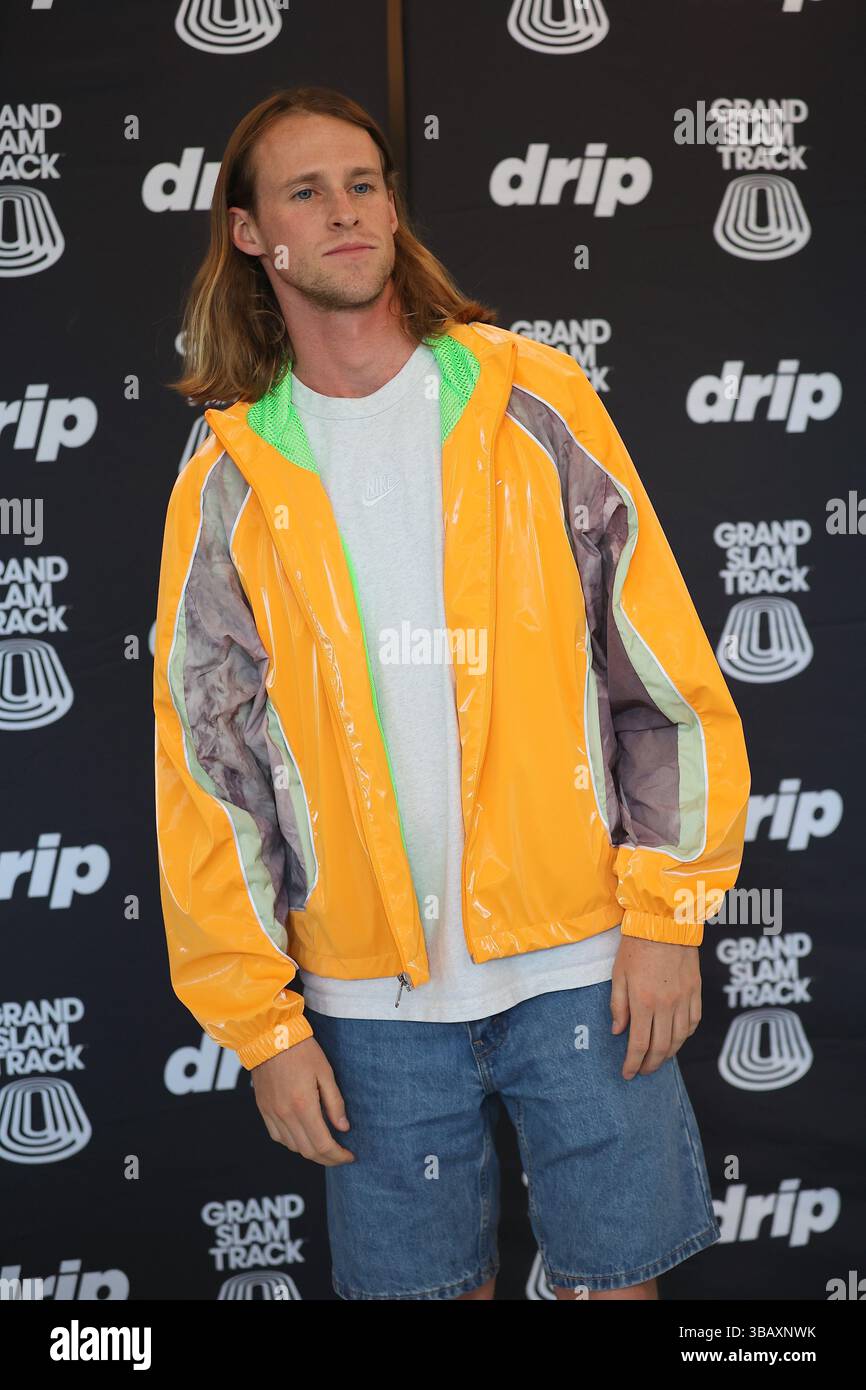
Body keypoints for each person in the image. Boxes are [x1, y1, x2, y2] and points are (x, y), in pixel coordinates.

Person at [153, 85, 751, 1301]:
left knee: (616, 1288)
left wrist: (665, 916)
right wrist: (263, 1028)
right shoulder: (229, 470)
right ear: (249, 233)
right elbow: (205, 763)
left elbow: (660, 669)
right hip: (367, 1005)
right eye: (305, 193)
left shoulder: (530, 396)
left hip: (581, 961)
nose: (344, 212)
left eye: (362, 183)